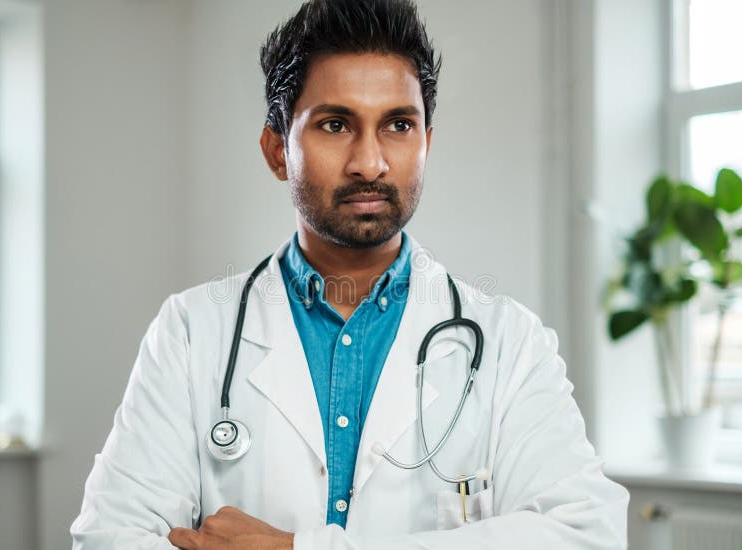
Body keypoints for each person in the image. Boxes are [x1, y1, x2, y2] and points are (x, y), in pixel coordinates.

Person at [71, 0, 629, 548]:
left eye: (398, 125)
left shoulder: (510, 342)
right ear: (276, 151)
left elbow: (583, 534)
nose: (370, 161)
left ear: (426, 145)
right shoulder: (192, 330)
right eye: (335, 125)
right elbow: (109, 537)